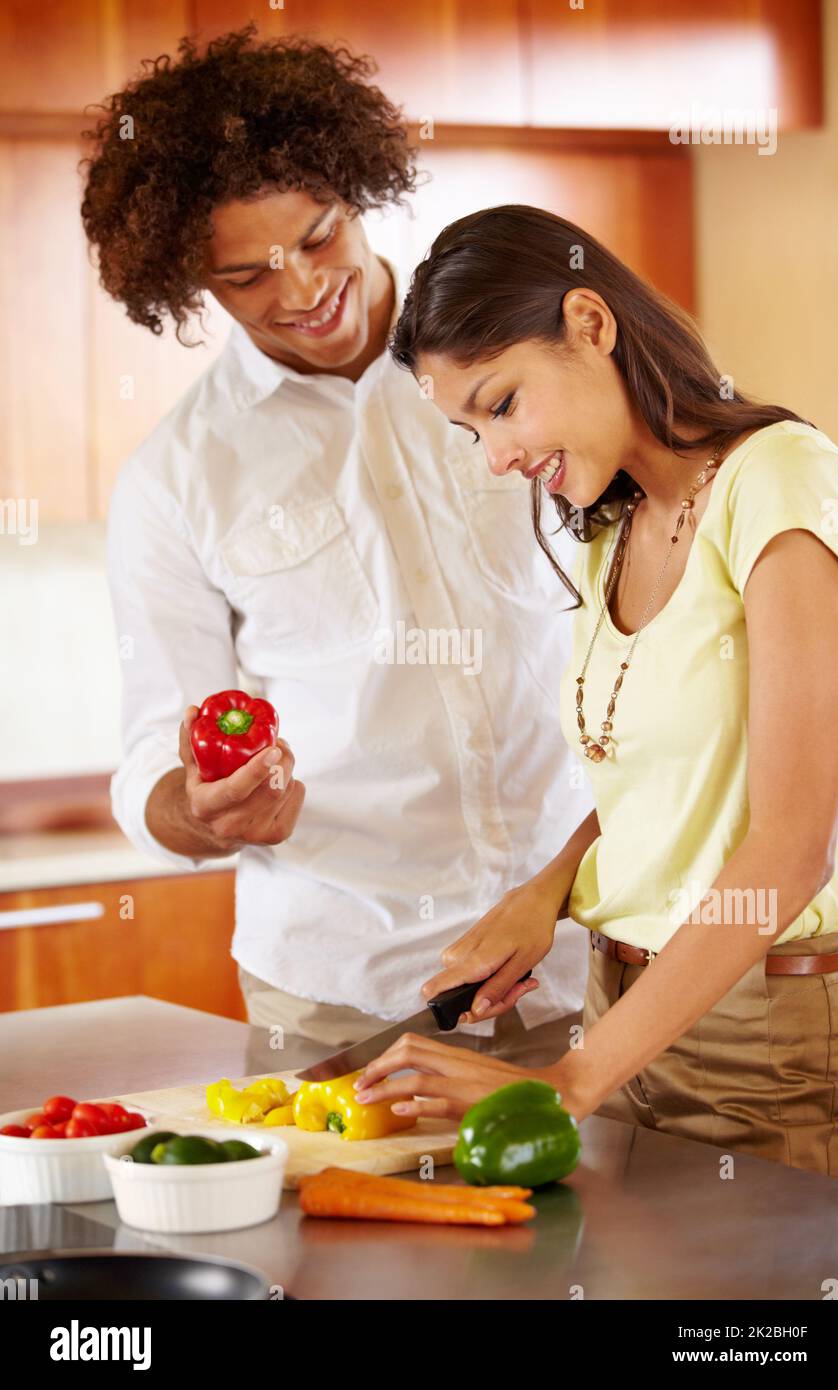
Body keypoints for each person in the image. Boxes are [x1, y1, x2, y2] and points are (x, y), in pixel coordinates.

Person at [82, 32, 591, 1063]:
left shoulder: (516, 359)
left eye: (318, 237)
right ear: (189, 285)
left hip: (595, 948)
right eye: (245, 275)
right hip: (352, 988)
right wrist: (202, 808)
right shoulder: (177, 479)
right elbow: (151, 763)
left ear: (358, 191)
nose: (303, 287)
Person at [353, 204, 838, 1183]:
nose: (495, 458)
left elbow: (789, 848)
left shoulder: (780, 483)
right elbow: (655, 786)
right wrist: (545, 894)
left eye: (500, 405)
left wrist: (573, 1078)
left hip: (768, 1042)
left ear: (588, 322)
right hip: (621, 1016)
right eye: (469, 433)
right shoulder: (604, 527)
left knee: (748, 1341)